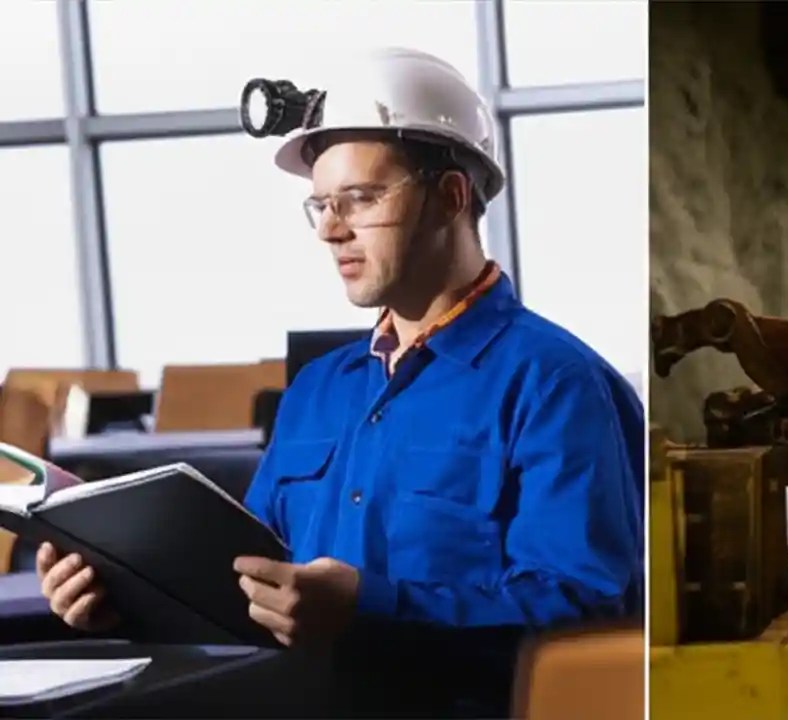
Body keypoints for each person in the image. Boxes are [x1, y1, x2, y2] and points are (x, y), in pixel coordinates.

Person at [35, 47, 644, 714]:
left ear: (450, 197)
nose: (330, 229)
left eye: (359, 198)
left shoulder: (558, 385)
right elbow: (244, 588)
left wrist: (368, 607)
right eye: (321, 204)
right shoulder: (318, 391)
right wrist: (124, 598)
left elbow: (590, 619)